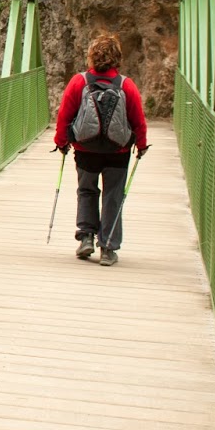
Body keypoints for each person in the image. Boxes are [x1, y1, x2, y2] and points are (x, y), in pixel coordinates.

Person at [53, 33, 149, 266]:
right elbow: (138, 120)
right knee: (113, 196)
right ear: (117, 58)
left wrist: (61, 141)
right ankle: (107, 248)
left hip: (86, 149)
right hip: (118, 151)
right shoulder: (126, 85)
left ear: (91, 57)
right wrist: (142, 144)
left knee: (86, 190)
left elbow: (65, 114)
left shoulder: (79, 82)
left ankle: (86, 237)